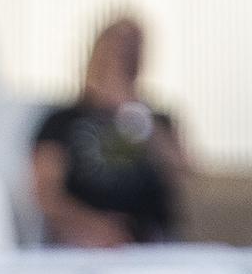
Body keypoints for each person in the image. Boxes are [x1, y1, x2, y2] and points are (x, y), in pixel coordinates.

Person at [31, 15, 191, 248]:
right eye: (116, 50)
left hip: (150, 244)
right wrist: (92, 227)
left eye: (131, 52)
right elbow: (45, 192)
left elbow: (184, 174)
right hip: (82, 243)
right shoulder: (61, 120)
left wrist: (133, 112)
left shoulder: (154, 119)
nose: (122, 59)